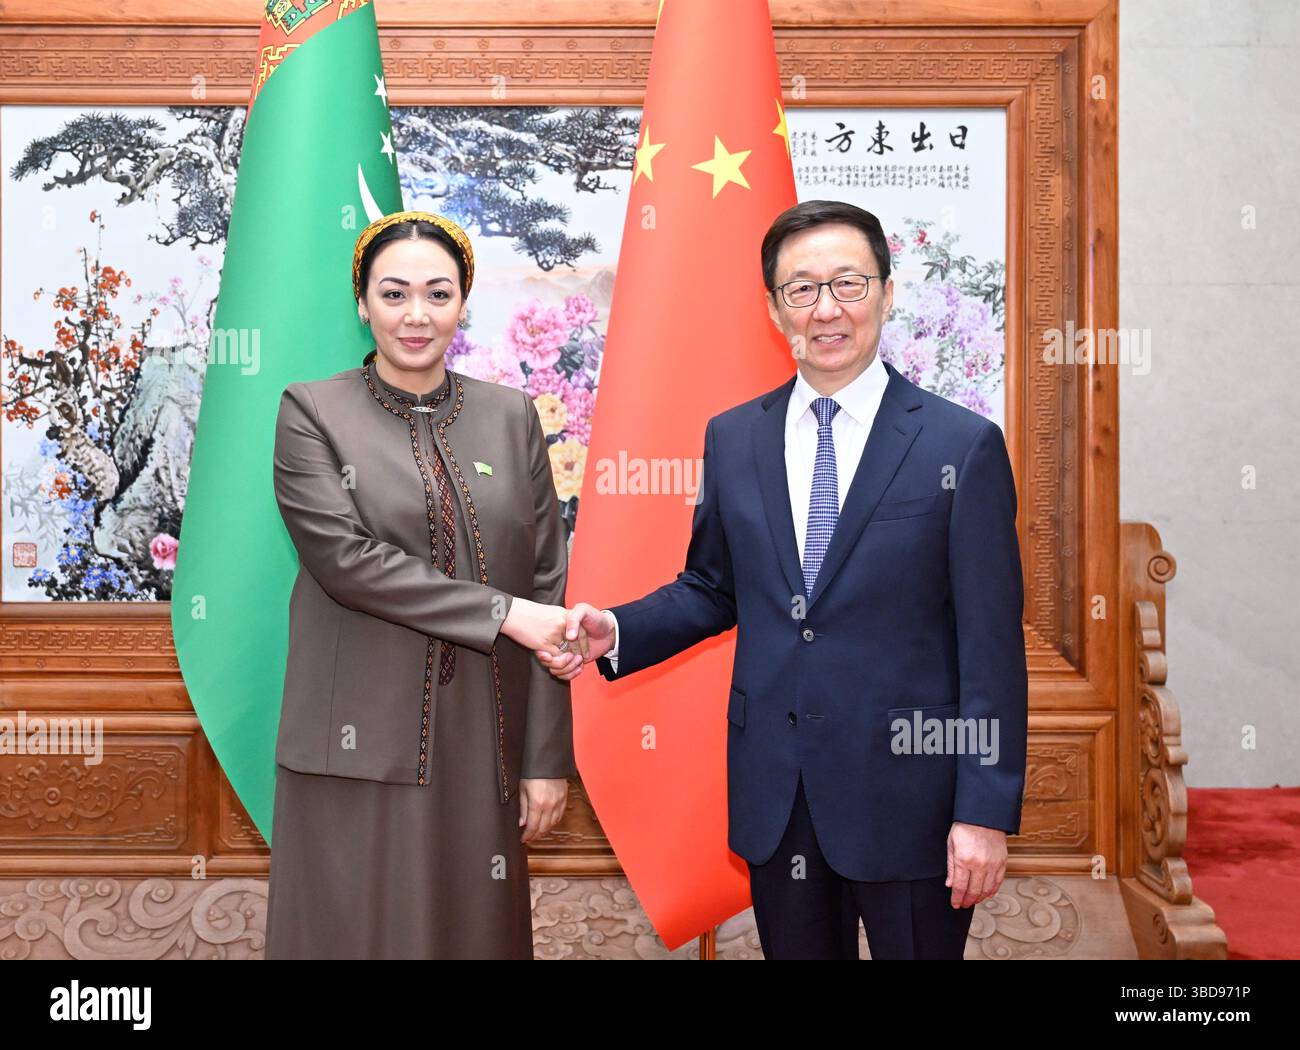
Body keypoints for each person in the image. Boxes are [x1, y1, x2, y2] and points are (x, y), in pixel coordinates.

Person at [543, 200, 1028, 960]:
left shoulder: (961, 447)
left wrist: (984, 812)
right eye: (801, 289)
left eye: (849, 283)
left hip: (916, 805)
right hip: (781, 795)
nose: (826, 309)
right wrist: (619, 628)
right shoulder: (736, 437)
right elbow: (713, 588)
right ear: (774, 308)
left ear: (888, 293)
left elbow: (993, 648)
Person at [265, 209, 584, 959]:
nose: (417, 315)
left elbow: (548, 583)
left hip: (485, 743)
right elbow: (346, 562)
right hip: (355, 741)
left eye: (438, 294)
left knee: (471, 935)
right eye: (394, 293)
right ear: (362, 303)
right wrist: (504, 613)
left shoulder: (510, 417)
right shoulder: (312, 412)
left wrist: (544, 758)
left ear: (463, 304)